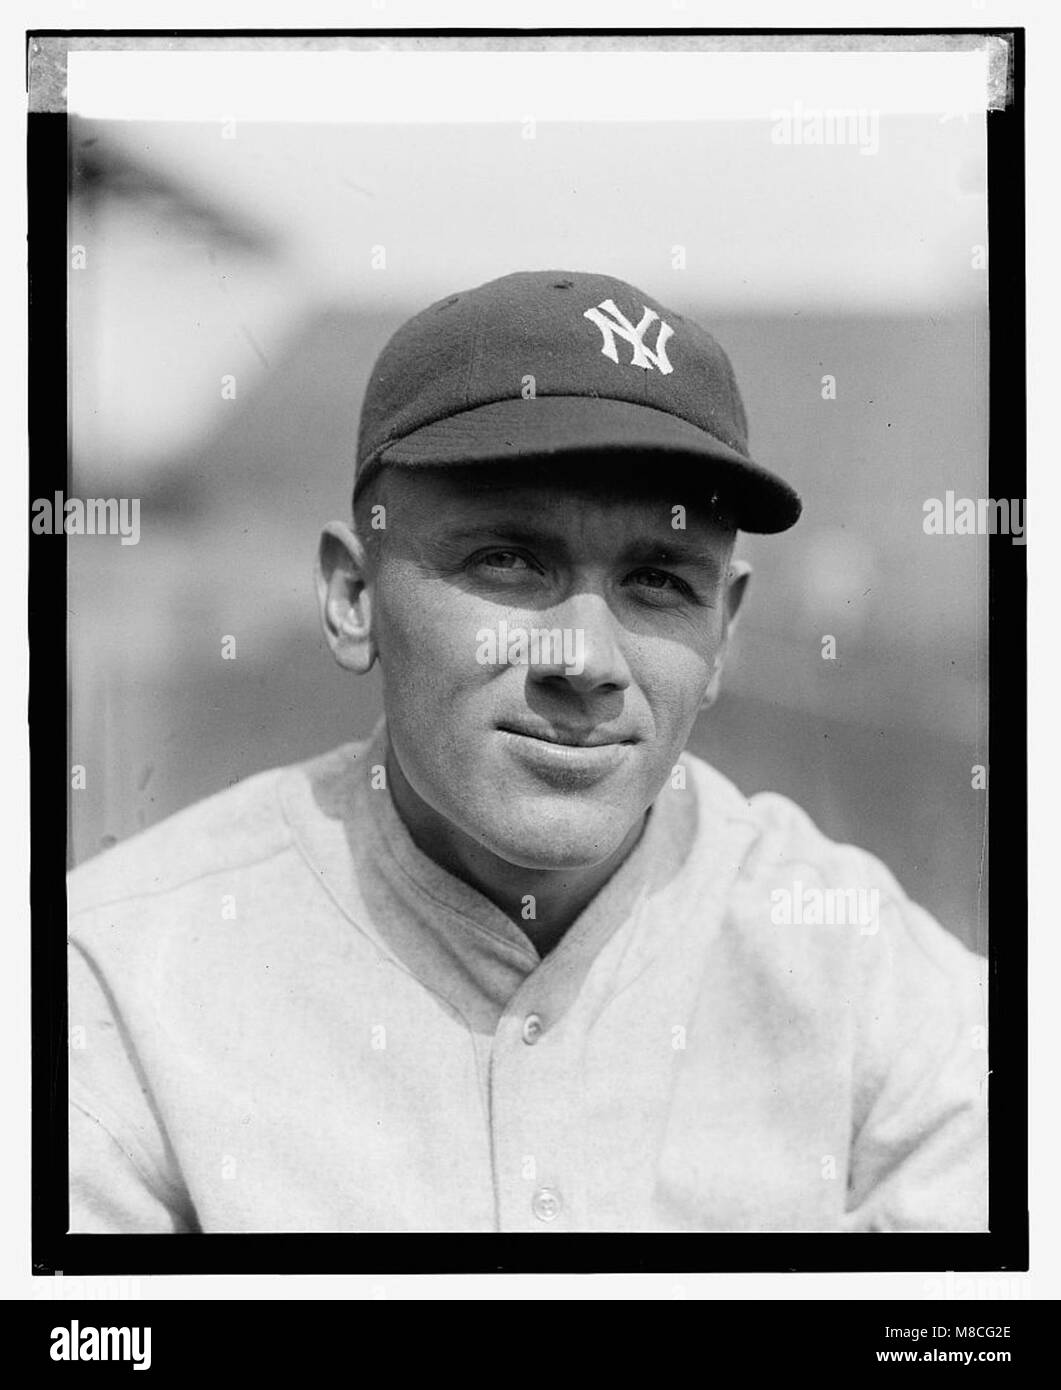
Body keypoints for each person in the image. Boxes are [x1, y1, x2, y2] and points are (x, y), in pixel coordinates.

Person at [68, 269, 987, 1234]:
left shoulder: (875, 988)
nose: (583, 660)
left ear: (724, 631)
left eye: (658, 580)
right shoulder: (120, 980)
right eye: (506, 561)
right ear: (352, 597)